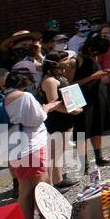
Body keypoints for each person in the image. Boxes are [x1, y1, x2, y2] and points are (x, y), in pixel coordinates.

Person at [1, 68, 65, 219]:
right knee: (42, 186)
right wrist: (47, 108)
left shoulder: (1, 96)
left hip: (14, 149)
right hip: (31, 146)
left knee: (25, 189)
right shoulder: (24, 96)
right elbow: (37, 119)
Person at [38, 51, 80, 187]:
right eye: (65, 60)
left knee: (60, 151)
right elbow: (53, 103)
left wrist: (77, 106)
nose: (69, 61)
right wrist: (71, 111)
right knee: (53, 153)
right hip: (56, 120)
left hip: (65, 118)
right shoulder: (50, 80)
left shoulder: (60, 76)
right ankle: (50, 184)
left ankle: (58, 179)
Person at [72, 35, 110, 168]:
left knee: (97, 125)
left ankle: (99, 156)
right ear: (90, 48)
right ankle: (83, 163)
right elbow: (71, 83)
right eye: (97, 52)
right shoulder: (76, 59)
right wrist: (92, 77)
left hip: (97, 93)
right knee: (81, 130)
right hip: (81, 96)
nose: (98, 56)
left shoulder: (92, 57)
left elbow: (95, 72)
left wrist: (103, 73)